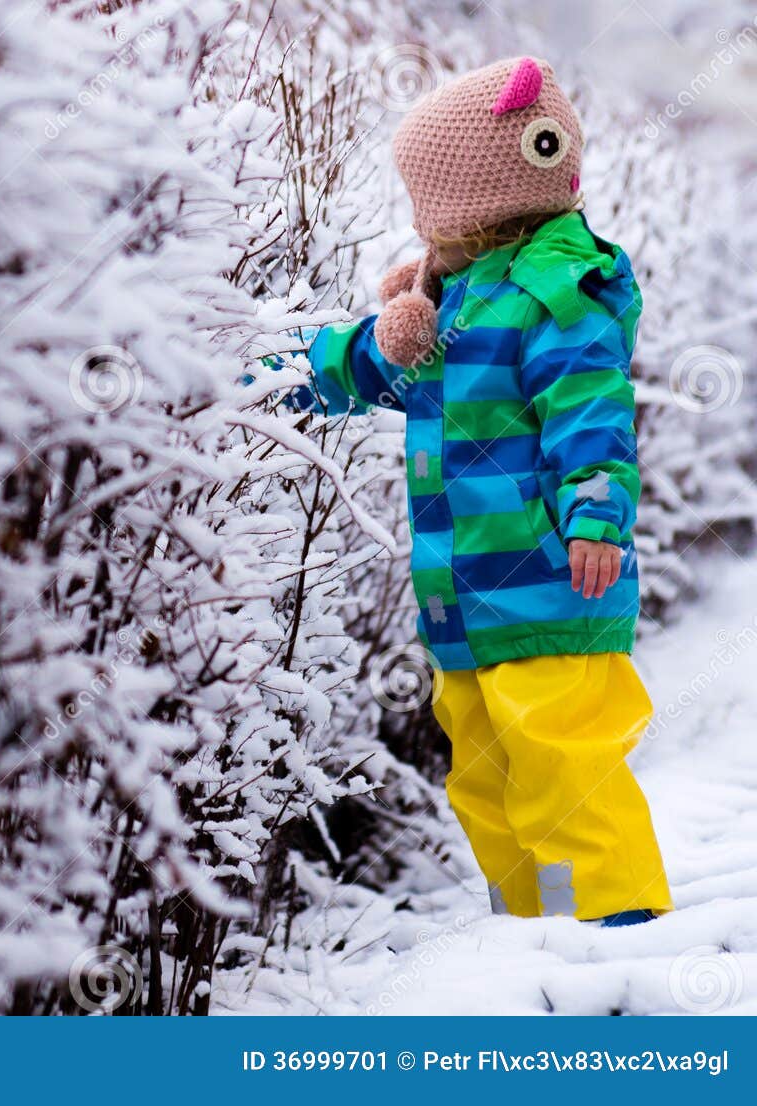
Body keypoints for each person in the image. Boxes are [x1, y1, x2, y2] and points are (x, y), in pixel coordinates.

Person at [271, 57, 671, 925]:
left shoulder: (554, 295)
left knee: (564, 768)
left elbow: (589, 414)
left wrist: (597, 514)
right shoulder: (447, 303)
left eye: (428, 203)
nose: (420, 224)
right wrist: (284, 378)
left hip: (552, 585)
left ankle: (617, 931)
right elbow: (372, 359)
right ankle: (536, 931)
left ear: (476, 202)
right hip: (461, 600)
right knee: (485, 778)